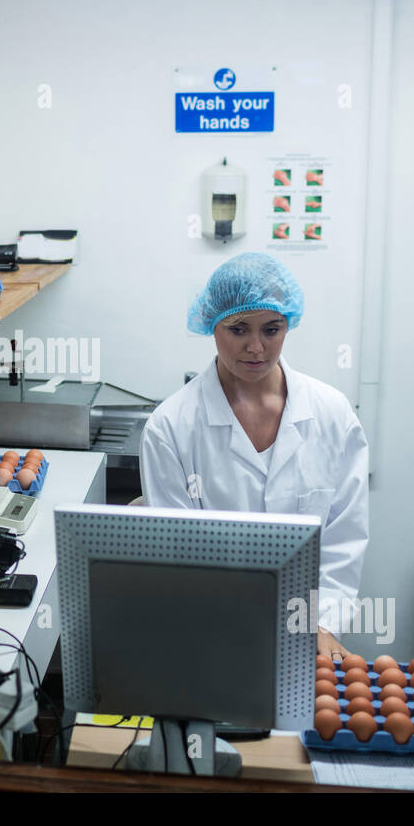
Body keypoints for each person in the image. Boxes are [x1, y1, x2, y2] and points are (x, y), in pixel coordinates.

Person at [139, 252, 368, 660]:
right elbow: (178, 555)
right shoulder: (170, 428)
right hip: (209, 636)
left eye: (272, 329)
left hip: (307, 636)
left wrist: (322, 623)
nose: (256, 347)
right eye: (238, 329)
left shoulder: (333, 415)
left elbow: (343, 538)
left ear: (288, 326)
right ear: (213, 324)